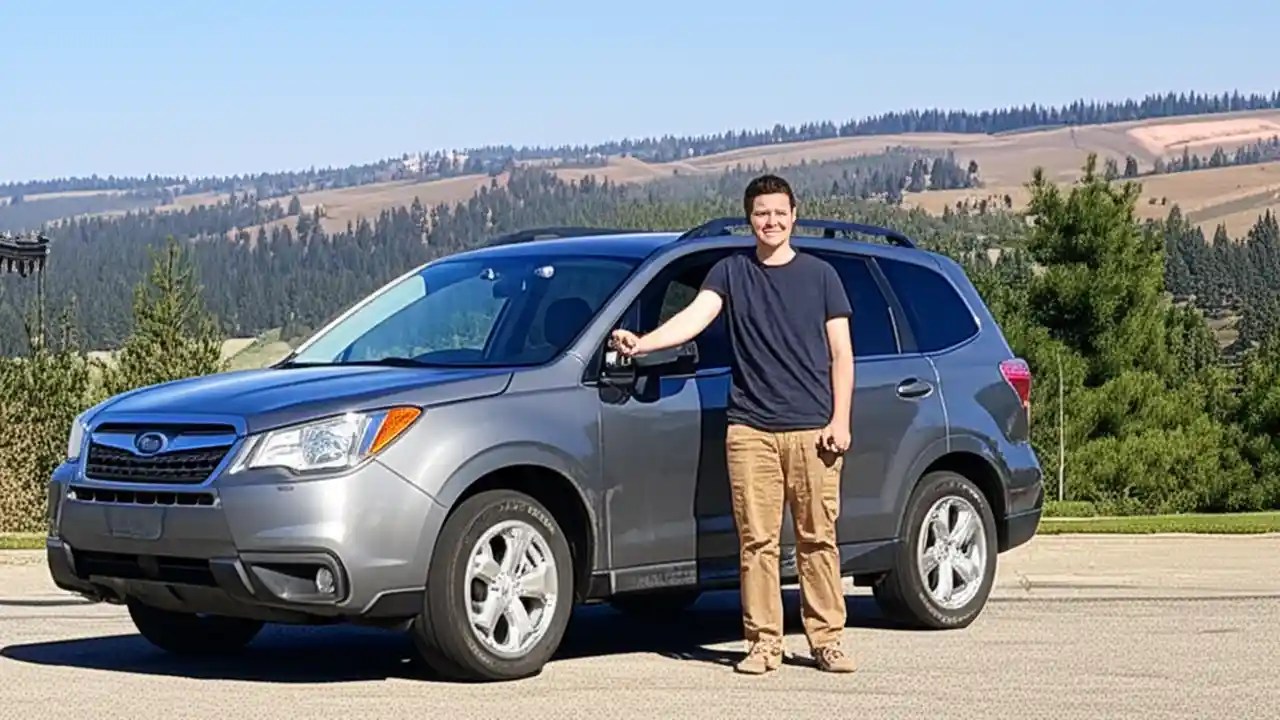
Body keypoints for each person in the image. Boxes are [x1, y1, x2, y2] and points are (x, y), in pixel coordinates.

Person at [610, 174, 856, 674]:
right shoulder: (729, 272)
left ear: (794, 215)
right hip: (750, 430)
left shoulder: (821, 276)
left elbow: (841, 355)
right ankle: (764, 643)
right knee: (758, 542)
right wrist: (644, 343)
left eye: (780, 212)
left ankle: (826, 640)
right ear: (750, 219)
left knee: (816, 538)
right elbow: (694, 319)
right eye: (762, 213)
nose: (772, 220)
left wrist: (840, 419)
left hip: (813, 429)